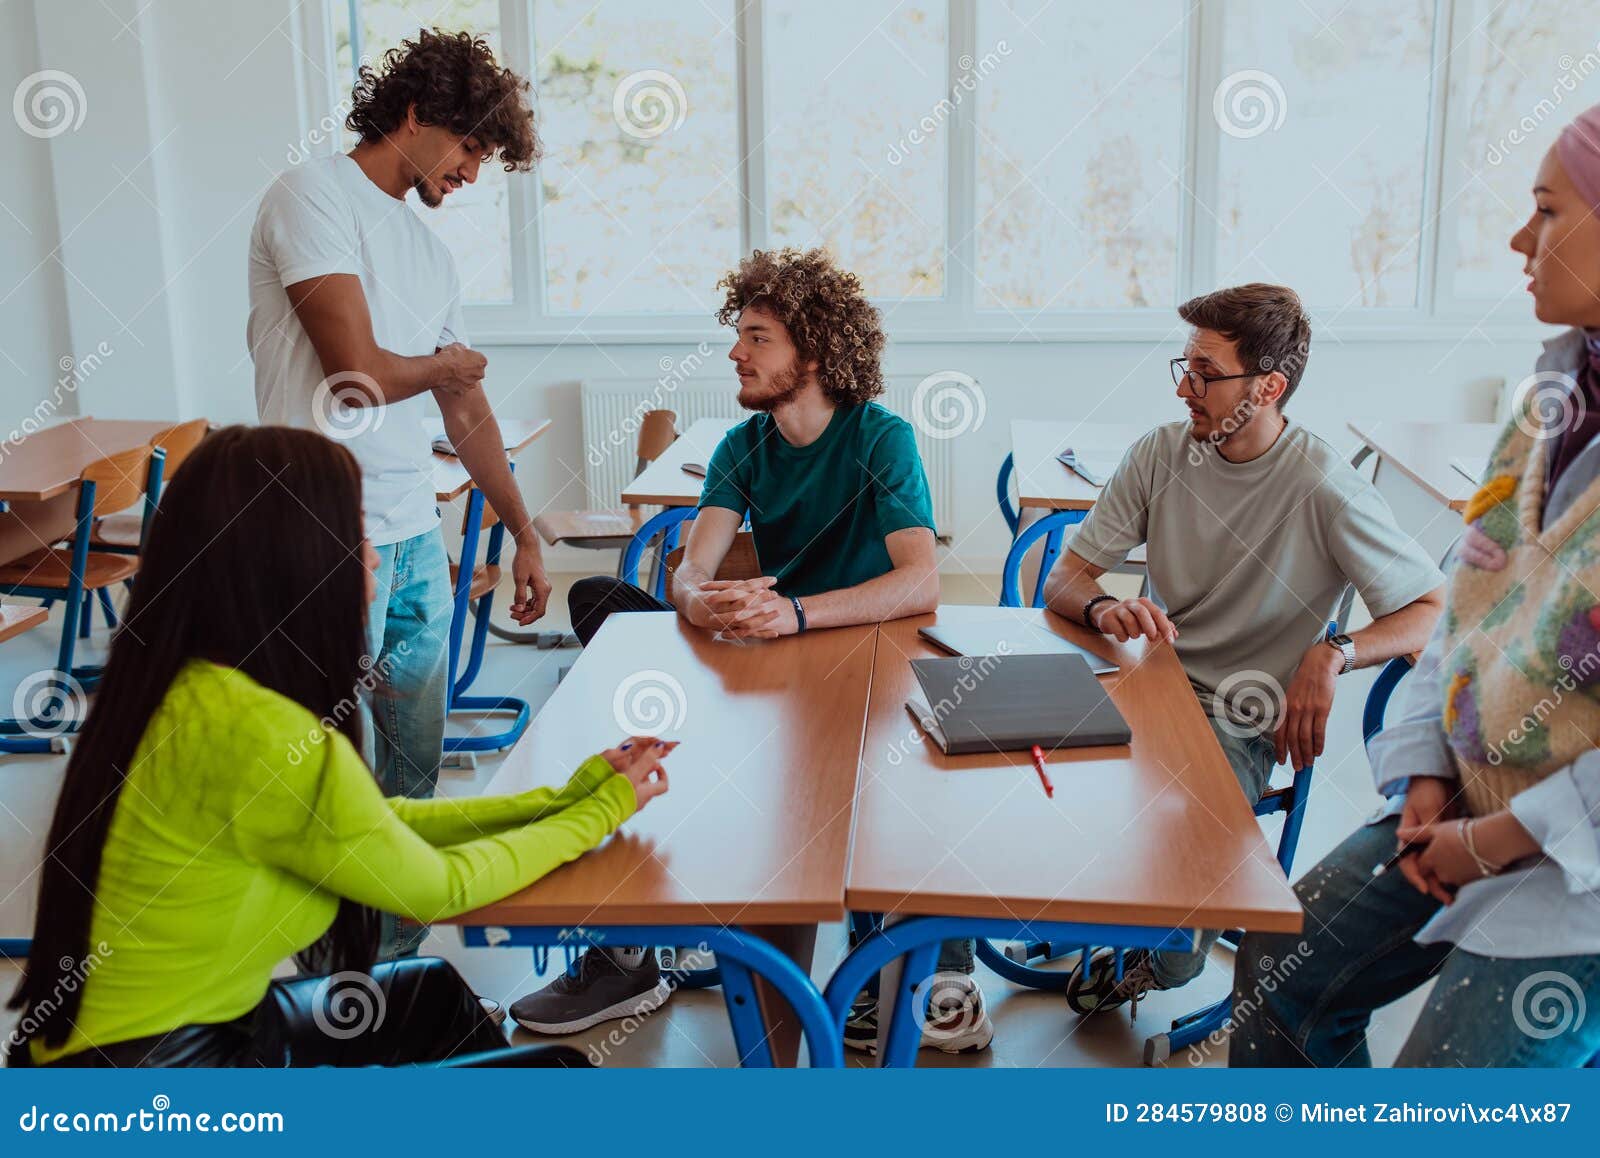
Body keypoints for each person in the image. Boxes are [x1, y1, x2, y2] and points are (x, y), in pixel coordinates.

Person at [3, 426, 671, 1068]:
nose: (375, 552)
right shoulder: (258, 731)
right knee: (555, 1075)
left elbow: (377, 824)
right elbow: (438, 889)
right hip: (163, 1082)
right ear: (293, 555)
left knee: (434, 993)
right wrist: (602, 810)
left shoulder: (190, 684)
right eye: (357, 532)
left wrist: (564, 799)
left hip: (124, 1048)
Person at [513, 248, 983, 1055]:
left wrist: (792, 613)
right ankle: (643, 947)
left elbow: (919, 584)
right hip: (780, 672)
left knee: (898, 815)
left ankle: (943, 971)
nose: (736, 352)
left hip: (874, 670)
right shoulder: (741, 445)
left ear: (815, 351)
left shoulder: (882, 439)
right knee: (726, 792)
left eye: (757, 337)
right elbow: (689, 571)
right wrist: (705, 600)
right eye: (740, 336)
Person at [1231, 105, 1600, 1069]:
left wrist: (1494, 843)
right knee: (1282, 968)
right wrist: (1428, 774)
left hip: (1574, 871)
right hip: (1469, 796)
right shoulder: (1549, 398)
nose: (1522, 239)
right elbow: (1466, 611)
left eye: (1548, 213)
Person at [1043, 283, 1445, 1016]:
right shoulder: (1161, 453)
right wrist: (1106, 605)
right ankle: (1018, 924)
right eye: (1183, 367)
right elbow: (1063, 580)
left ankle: (1160, 958)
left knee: (1181, 842)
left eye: (1205, 373)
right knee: (992, 762)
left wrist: (1333, 654)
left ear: (1268, 388)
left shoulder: (1324, 486)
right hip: (1144, 680)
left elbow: (1432, 608)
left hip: (1237, 714)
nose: (1185, 389)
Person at [246, 30, 552, 958]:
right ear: (415, 116)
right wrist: (447, 366)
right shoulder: (310, 196)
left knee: (411, 778)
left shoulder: (431, 256)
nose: (470, 172)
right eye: (467, 149)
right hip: (320, 537)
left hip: (412, 534)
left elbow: (464, 408)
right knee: (328, 781)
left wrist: (523, 529)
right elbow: (358, 376)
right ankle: (321, 982)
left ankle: (385, 978)